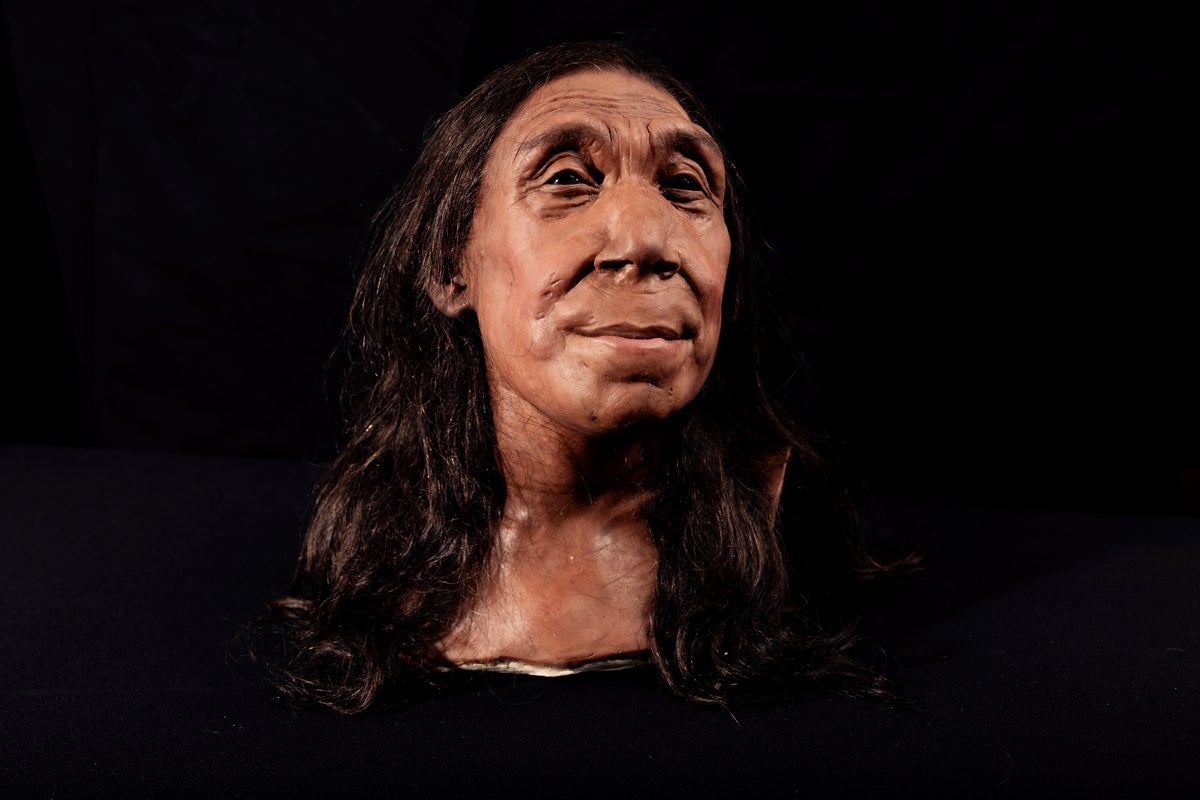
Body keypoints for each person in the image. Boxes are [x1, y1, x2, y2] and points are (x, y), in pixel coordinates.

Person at [258, 39, 909, 713]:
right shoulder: (392, 533)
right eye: (567, 179)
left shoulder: (775, 510)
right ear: (452, 267)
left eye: (685, 186)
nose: (643, 241)